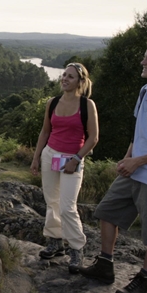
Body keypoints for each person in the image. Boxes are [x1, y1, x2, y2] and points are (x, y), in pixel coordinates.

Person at [78, 40, 147, 293]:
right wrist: (127, 159)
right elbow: (140, 132)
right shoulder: (144, 91)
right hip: (133, 171)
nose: (143, 62)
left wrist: (138, 162)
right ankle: (105, 265)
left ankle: (144, 281)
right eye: (145, 57)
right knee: (107, 212)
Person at [31, 62, 99, 273]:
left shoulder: (87, 105)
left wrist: (76, 159)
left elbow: (94, 138)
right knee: (52, 201)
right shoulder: (52, 103)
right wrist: (35, 158)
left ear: (80, 81)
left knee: (68, 206)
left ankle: (77, 249)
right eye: (64, 75)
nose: (65, 79)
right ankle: (55, 241)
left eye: (70, 76)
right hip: (50, 155)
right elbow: (44, 132)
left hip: (73, 159)